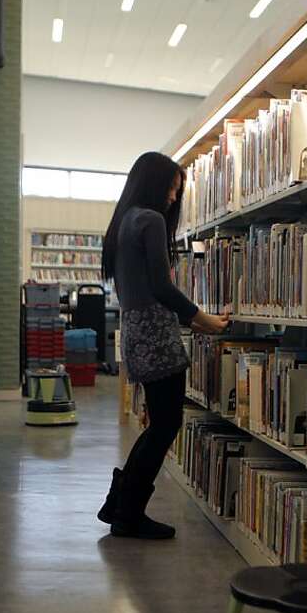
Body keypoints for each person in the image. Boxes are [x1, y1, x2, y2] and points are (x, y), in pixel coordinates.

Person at [97, 152, 230, 539]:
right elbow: (161, 286)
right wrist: (203, 320)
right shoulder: (150, 220)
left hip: (136, 330)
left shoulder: (124, 220)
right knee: (166, 423)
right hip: (156, 331)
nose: (174, 197)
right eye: (172, 188)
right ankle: (129, 512)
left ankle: (121, 506)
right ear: (156, 183)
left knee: (159, 423)